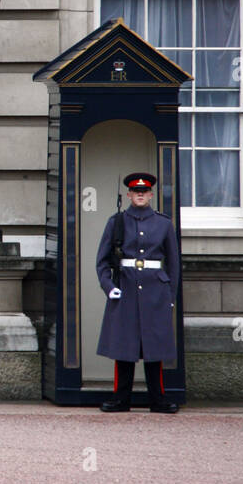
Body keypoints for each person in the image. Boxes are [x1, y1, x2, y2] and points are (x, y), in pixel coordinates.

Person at [95, 172, 181, 413]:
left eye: (144, 192)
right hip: (125, 287)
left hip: (156, 290)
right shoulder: (117, 222)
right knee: (125, 346)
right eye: (136, 192)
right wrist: (109, 287)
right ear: (129, 195)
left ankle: (158, 399)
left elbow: (173, 264)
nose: (140, 195)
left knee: (155, 348)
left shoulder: (163, 223)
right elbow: (101, 261)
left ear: (151, 195)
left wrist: (170, 296)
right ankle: (121, 398)